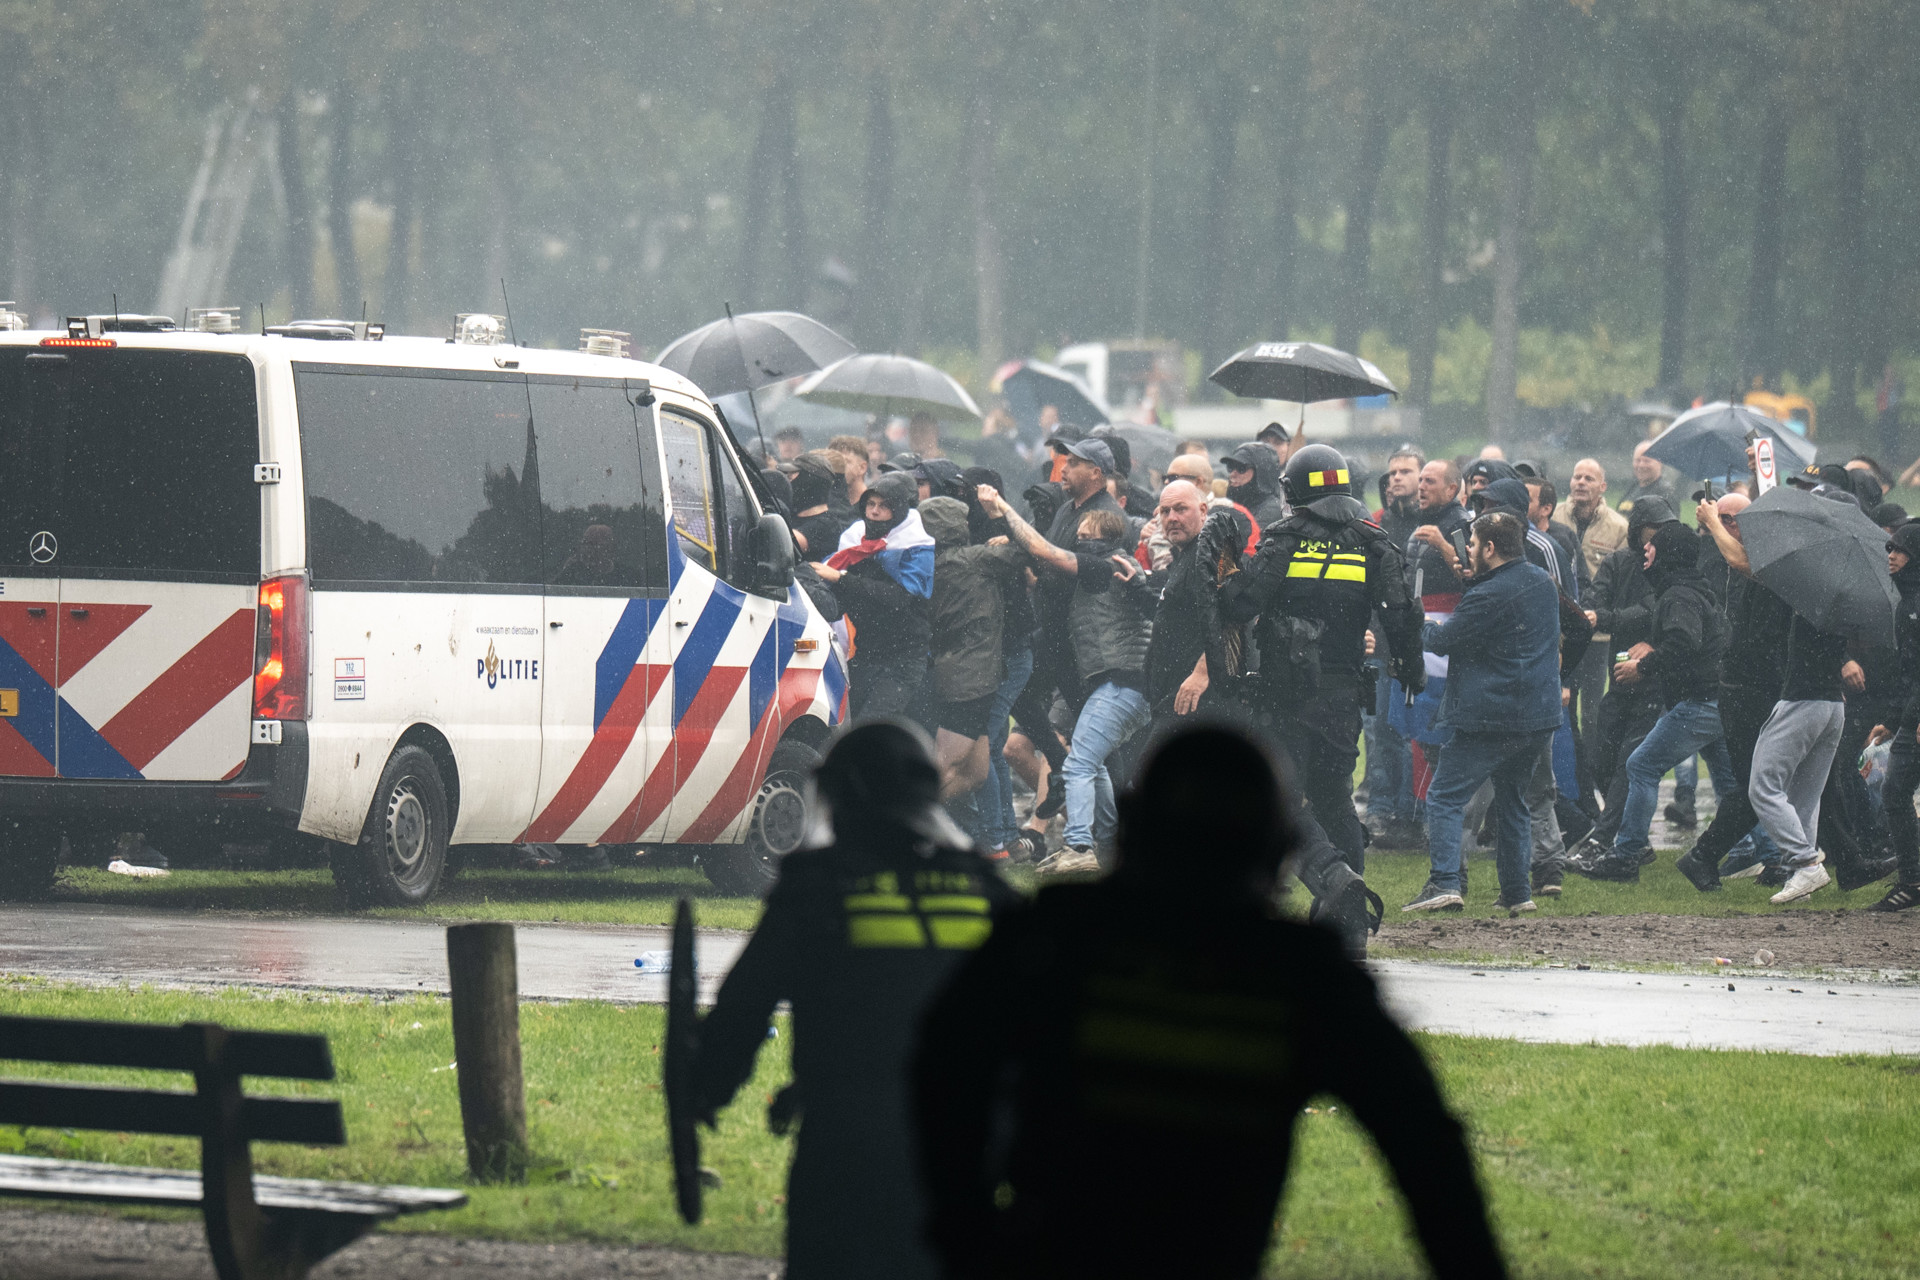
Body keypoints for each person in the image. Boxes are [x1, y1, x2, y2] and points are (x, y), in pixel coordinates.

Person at [912, 726, 1508, 1280]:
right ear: (1277, 851)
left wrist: (964, 1230)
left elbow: (943, 1067)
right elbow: (1427, 1149)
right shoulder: (1300, 977)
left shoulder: (1056, 938)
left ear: (1134, 829)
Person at [687, 720, 1018, 1280]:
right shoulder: (991, 895)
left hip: (846, 1147)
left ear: (847, 795)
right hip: (969, 1149)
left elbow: (743, 1012)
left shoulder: (816, 889)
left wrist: (704, 1091)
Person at [1219, 443, 1426, 875]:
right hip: (1342, 697)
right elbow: (1402, 617)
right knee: (1335, 797)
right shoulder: (1375, 543)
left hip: (1284, 695)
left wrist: (1220, 566)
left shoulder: (1282, 541)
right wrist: (1411, 669)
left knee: (1281, 797)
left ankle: (1334, 880)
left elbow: (1240, 606)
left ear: (1292, 491)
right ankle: (1349, 919)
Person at [982, 487, 1154, 875]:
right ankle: (1108, 844)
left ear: (1108, 536)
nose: (1079, 537)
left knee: (1078, 763)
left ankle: (1079, 846)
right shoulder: (1101, 568)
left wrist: (1003, 511)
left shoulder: (1106, 564)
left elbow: (1048, 553)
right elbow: (1044, 574)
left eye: (1087, 532)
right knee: (1094, 765)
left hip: (1124, 683)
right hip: (1115, 684)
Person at [1404, 511, 1562, 913]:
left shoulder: (1488, 595)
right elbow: (1503, 608)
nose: (1468, 551)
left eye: (1472, 545)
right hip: (1537, 718)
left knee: (1444, 796)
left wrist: (1416, 622)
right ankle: (1517, 893)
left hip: (1491, 716)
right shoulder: (1541, 582)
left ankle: (1444, 883)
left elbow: (1442, 640)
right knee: (1512, 802)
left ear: (1489, 548)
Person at [1576, 523, 1734, 880]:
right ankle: (1761, 854)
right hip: (1717, 701)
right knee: (1730, 783)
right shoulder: (1695, 589)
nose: (1645, 554)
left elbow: (1683, 643)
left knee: (1641, 766)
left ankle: (1627, 854)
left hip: (1699, 703)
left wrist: (1643, 667)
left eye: (1652, 549)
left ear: (1667, 555)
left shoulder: (1678, 596)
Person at [919, 496, 1027, 803]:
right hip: (971, 680)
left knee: (975, 774)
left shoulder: (934, 563)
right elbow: (1024, 551)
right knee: (946, 765)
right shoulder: (974, 560)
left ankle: (925, 826)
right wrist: (1004, 520)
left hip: (962, 674)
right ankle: (900, 829)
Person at [812, 472, 934, 719]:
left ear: (899, 510)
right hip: (867, 653)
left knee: (868, 728)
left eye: (884, 506)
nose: (875, 512)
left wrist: (842, 578)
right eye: (871, 504)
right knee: (845, 725)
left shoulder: (917, 546)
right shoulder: (855, 536)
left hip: (904, 658)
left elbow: (899, 598)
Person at [1868, 521, 1920, 911]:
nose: (1891, 556)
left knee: (1896, 792)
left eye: (1899, 549)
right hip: (1911, 715)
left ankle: (1913, 881)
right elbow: (1909, 672)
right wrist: (1892, 718)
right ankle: (1913, 878)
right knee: (1895, 793)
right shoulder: (1907, 604)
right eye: (1888, 549)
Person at [788, 453, 847, 557]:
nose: (788, 481)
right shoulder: (791, 515)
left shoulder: (827, 524)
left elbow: (786, 543)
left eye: (791, 476)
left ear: (809, 482)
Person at [1223, 442, 1286, 531]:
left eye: (1241, 468)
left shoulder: (1271, 511)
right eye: (1230, 467)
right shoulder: (1233, 504)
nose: (1232, 474)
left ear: (1260, 473)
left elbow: (1248, 542)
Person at [1617, 440, 1681, 513]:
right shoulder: (1632, 488)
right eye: (1638, 460)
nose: (1641, 465)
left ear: (1660, 462)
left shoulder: (1666, 494)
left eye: (1647, 461)